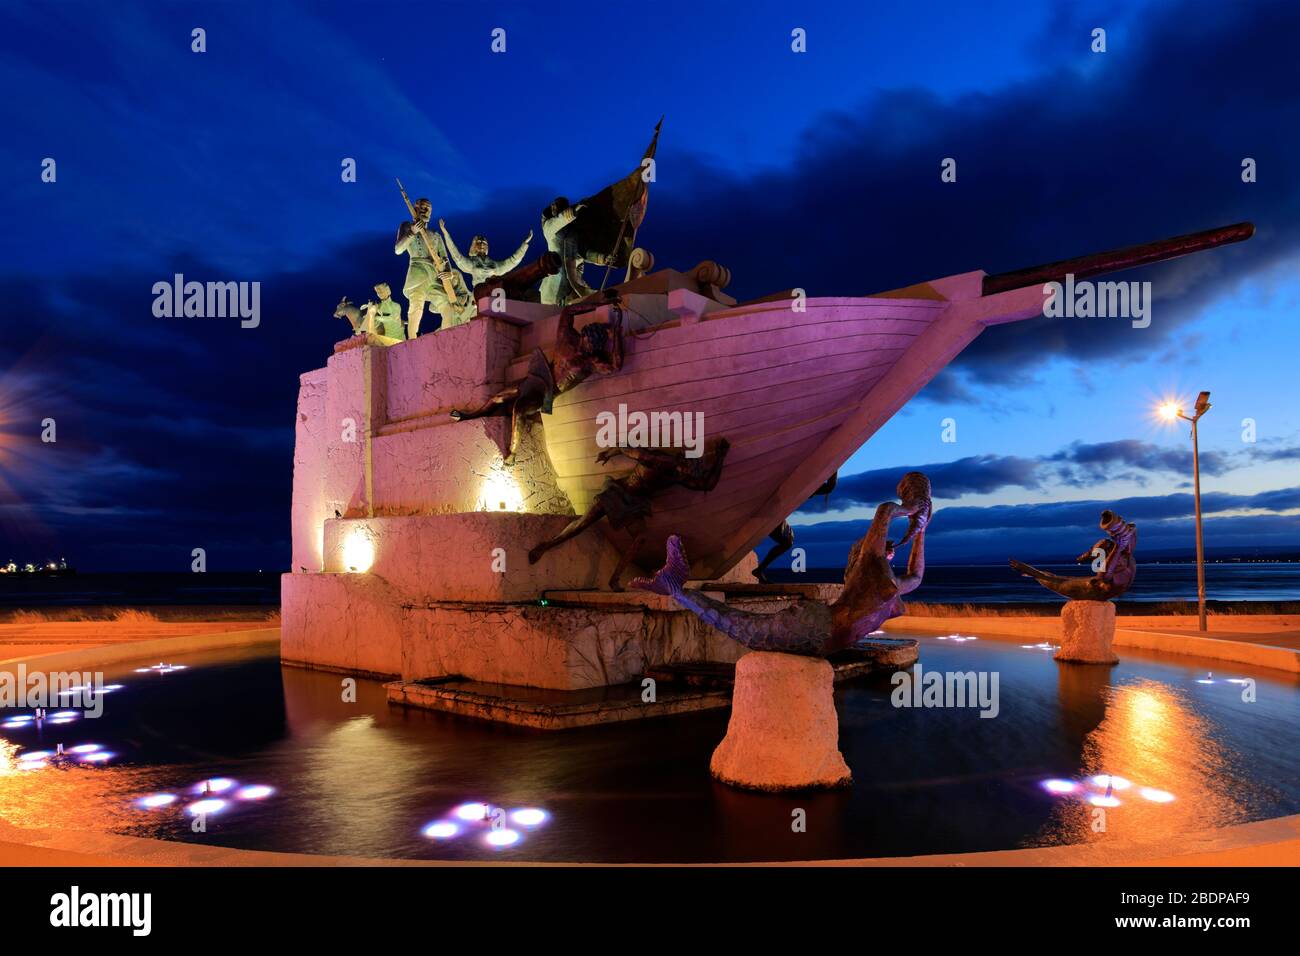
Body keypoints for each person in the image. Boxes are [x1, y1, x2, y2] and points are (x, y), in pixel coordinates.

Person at [633, 472, 932, 656]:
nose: (887, 548)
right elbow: (883, 513)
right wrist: (908, 509)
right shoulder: (869, 567)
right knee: (742, 626)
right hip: (816, 628)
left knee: (742, 626)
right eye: (884, 546)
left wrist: (921, 531)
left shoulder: (887, 584)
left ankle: (677, 589)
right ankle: (677, 589)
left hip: (823, 637)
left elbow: (916, 576)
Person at [528, 438, 731, 591]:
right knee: (583, 523)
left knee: (641, 538)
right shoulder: (659, 460)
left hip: (635, 504)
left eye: (688, 473)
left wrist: (721, 456)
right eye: (686, 469)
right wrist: (610, 453)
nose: (685, 474)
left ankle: (615, 578)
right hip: (618, 493)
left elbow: (707, 485)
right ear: (682, 462)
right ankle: (546, 546)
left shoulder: (678, 476)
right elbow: (630, 450)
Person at [450, 292, 625, 461]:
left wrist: (616, 332)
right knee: (498, 396)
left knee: (518, 410)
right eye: (588, 341)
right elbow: (568, 311)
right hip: (536, 378)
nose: (589, 346)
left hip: (546, 393)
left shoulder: (591, 362)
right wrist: (601, 304)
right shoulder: (567, 338)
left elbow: (615, 366)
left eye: (593, 345)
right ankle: (471, 415)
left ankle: (512, 453)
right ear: (585, 336)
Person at [1009, 510, 1137, 600]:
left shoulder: (1122, 562)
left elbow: (1104, 576)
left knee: (1109, 548)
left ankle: (1100, 550)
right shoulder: (1118, 569)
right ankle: (1098, 551)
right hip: (1108, 583)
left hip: (1109, 580)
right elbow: (1103, 576)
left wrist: (1033, 573)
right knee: (1054, 579)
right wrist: (1033, 573)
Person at [395, 197, 473, 335]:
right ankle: (411, 339)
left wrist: (448, 273)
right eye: (422, 207)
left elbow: (445, 258)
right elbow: (398, 250)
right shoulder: (407, 226)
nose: (425, 210)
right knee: (416, 306)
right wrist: (412, 231)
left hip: (435, 275)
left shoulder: (436, 236)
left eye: (428, 209)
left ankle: (446, 335)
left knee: (447, 306)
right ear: (415, 209)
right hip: (417, 271)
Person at [439, 218, 533, 289]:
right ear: (474, 245)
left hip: (494, 294)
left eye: (484, 243)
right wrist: (446, 233)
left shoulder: (494, 264)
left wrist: (525, 244)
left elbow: (512, 261)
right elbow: (456, 256)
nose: (482, 245)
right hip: (479, 294)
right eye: (479, 242)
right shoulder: (472, 263)